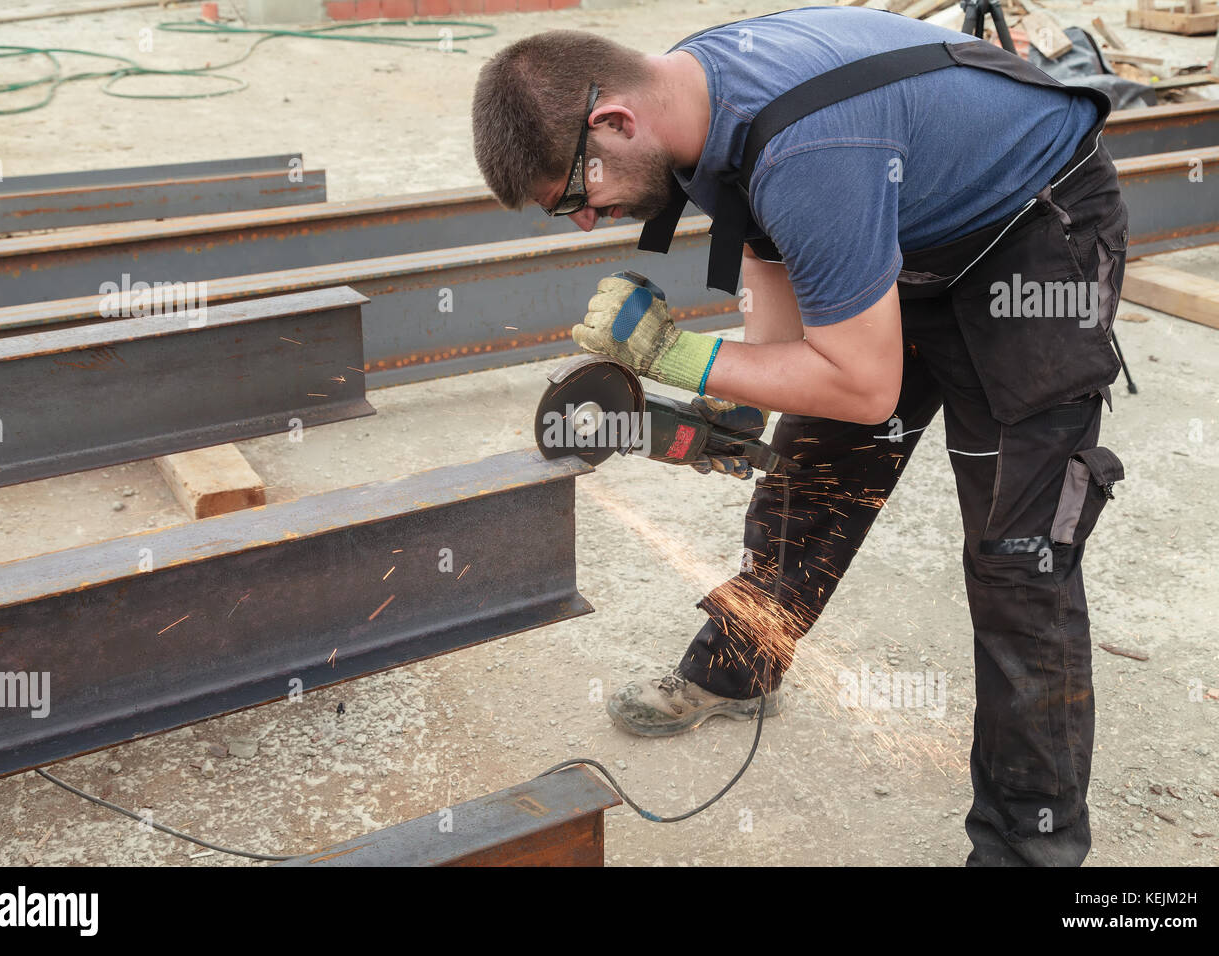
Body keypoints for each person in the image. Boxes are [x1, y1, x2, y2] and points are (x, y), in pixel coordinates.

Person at [471, 5, 1127, 866]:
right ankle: (742, 661)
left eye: (572, 195)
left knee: (1020, 561)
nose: (587, 221)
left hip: (1032, 241)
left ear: (613, 122)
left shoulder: (811, 152)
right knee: (810, 476)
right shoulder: (693, 104)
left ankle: (1026, 851)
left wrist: (680, 355)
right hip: (902, 223)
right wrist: (744, 397)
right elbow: (770, 247)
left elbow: (862, 381)